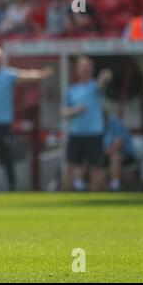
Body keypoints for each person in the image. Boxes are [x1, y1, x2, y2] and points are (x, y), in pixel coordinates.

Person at [0, 46, 52, 192]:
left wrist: (41, 75)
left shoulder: (8, 75)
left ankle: (11, 184)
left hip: (3, 122)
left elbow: (26, 76)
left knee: (6, 154)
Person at [61, 56, 113, 192]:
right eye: (82, 67)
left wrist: (105, 77)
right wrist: (75, 110)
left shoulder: (95, 87)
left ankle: (98, 200)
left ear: (91, 69)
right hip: (76, 133)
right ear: (77, 70)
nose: (84, 69)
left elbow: (103, 83)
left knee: (96, 167)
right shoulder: (72, 90)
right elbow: (64, 112)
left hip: (94, 133)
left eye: (87, 67)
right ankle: (66, 196)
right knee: (70, 166)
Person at [103, 112, 136, 191]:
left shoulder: (116, 123)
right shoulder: (96, 127)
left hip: (126, 153)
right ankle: (80, 185)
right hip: (106, 154)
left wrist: (104, 152)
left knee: (115, 156)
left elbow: (118, 144)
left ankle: (115, 186)